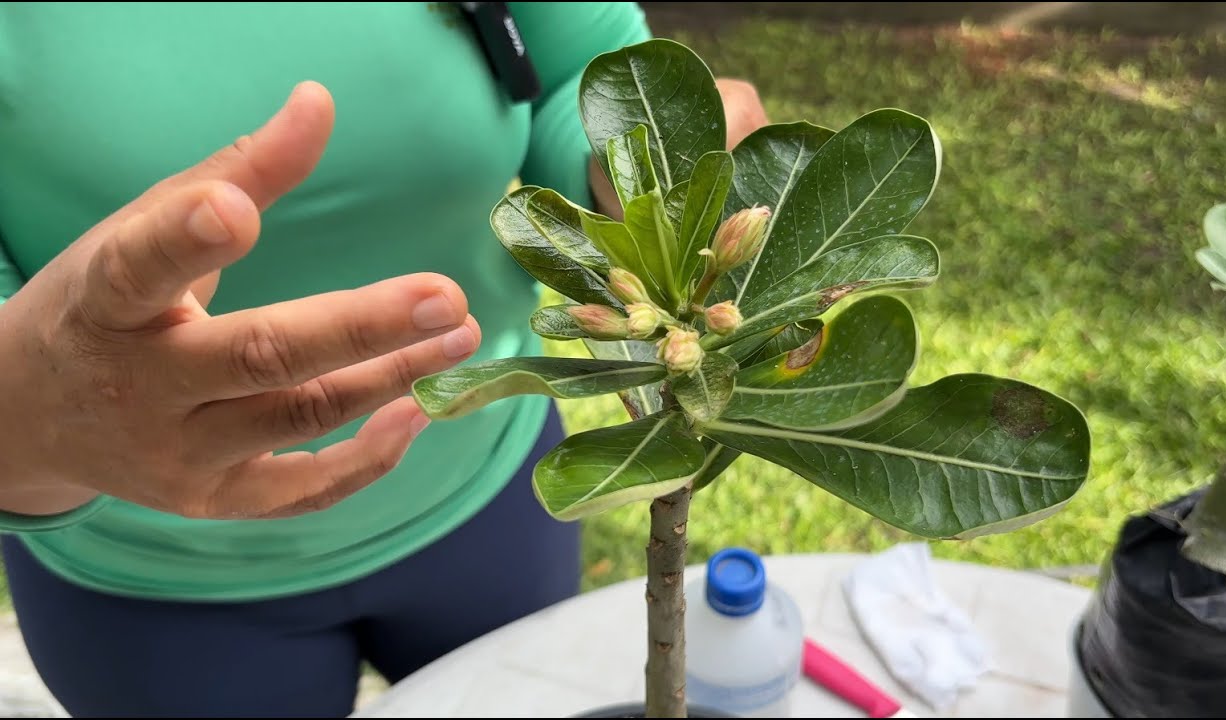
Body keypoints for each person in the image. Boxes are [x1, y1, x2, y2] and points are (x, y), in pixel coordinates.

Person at [0, 2, 768, 717]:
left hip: (487, 485)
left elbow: (583, 68)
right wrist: (26, 419)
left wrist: (640, 175)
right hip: (152, 582)